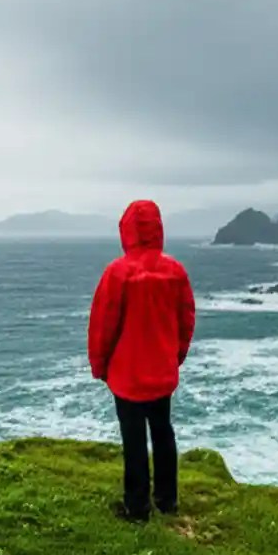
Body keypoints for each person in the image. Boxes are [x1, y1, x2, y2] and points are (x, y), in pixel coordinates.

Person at [88, 200, 196, 521]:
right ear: (157, 228)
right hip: (162, 372)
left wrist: (100, 366)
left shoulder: (117, 273)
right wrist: (175, 357)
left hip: (128, 375)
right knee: (163, 433)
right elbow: (186, 319)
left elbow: (103, 326)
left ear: (127, 230)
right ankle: (167, 500)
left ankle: (137, 508)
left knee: (133, 439)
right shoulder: (175, 271)